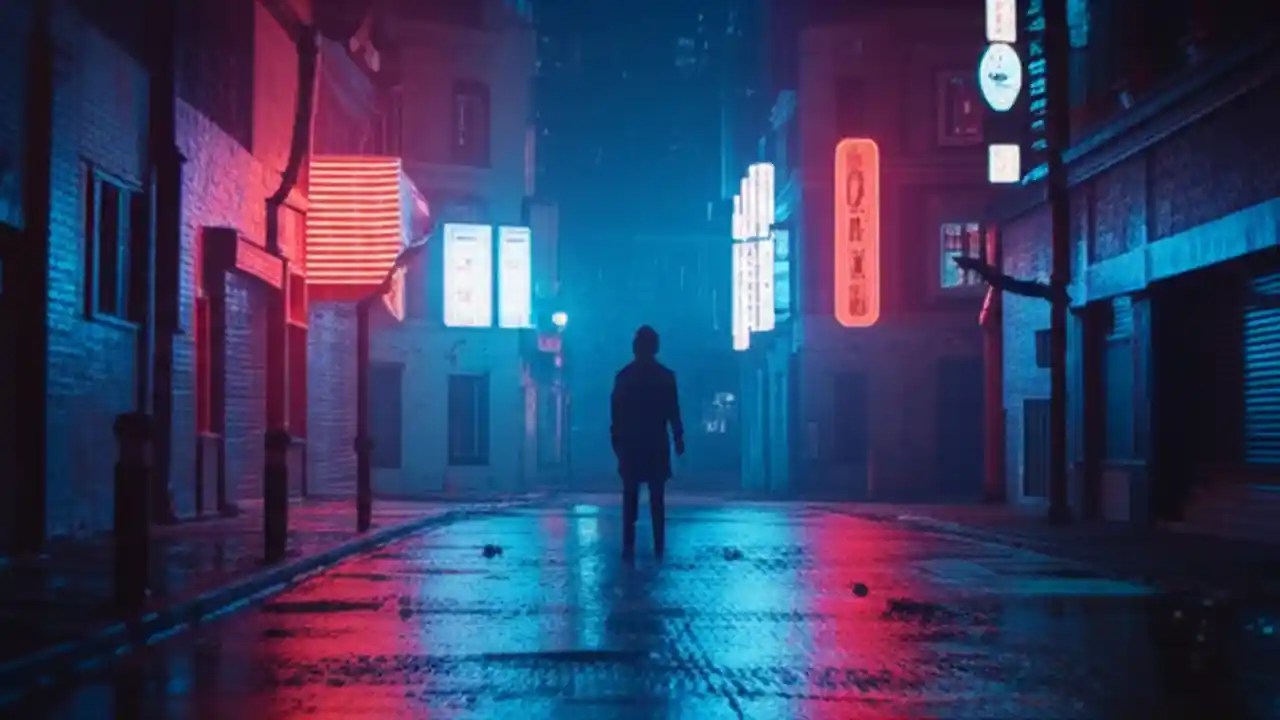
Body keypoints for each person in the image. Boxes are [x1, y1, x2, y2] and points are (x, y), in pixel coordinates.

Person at [610, 325, 684, 561]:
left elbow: (616, 414)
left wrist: (617, 442)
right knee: (656, 497)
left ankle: (628, 544)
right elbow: (673, 411)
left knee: (630, 496)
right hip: (655, 443)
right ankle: (658, 543)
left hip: (631, 444)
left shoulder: (624, 376)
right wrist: (678, 437)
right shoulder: (665, 377)